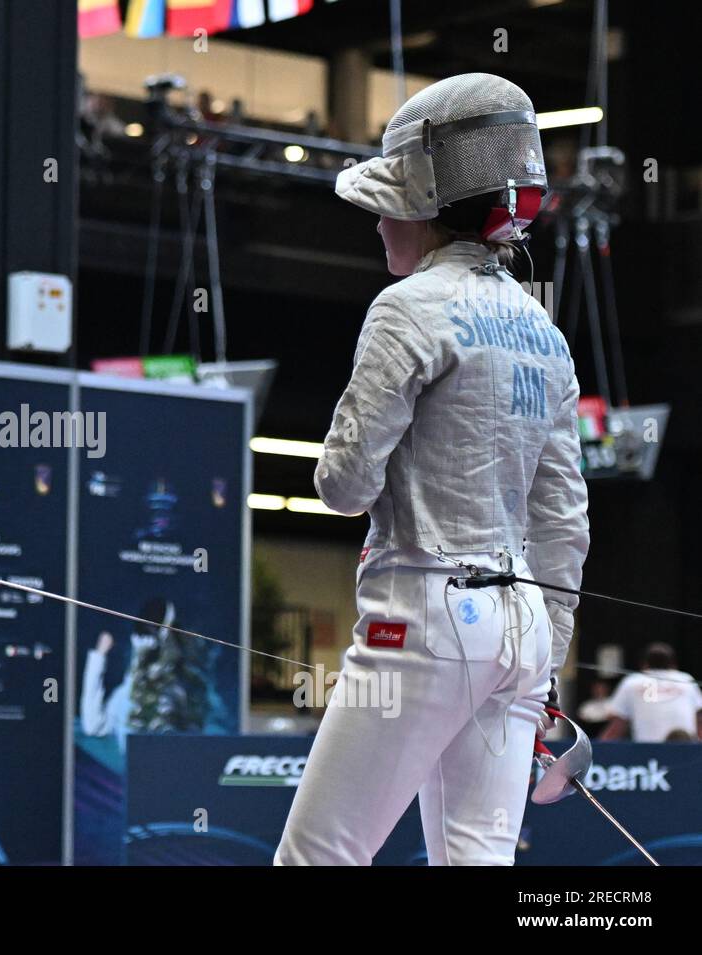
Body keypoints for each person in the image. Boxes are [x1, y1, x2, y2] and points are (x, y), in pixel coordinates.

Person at [274, 74, 590, 865]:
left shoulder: (408, 307)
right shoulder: (544, 332)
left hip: (422, 616)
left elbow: (341, 487)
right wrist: (546, 660)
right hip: (519, 634)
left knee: (317, 856)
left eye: (390, 203)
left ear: (425, 204)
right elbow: (562, 521)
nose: (380, 222)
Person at [600, 644, 702, 742]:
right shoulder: (686, 679)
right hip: (684, 751)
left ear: (644, 664)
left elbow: (616, 727)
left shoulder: (632, 681)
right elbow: (699, 721)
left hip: (652, 752)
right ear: (673, 664)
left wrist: (598, 751)